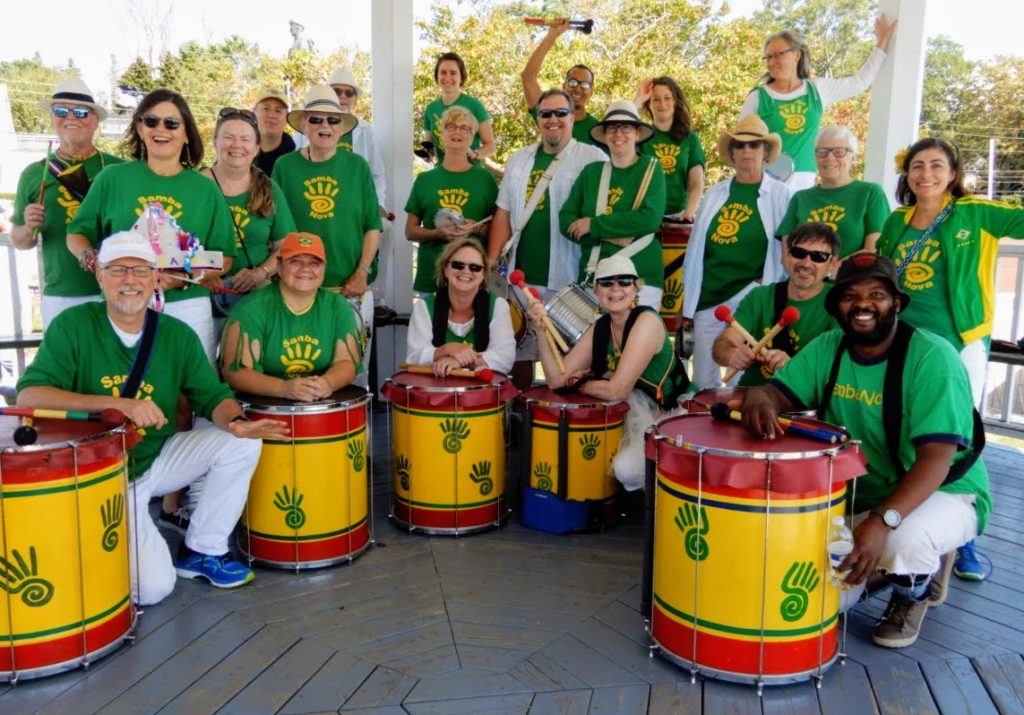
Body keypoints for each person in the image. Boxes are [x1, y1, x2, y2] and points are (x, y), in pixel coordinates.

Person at [16, 229, 289, 604]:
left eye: (141, 270)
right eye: (117, 270)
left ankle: (203, 551)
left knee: (241, 443)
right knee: (153, 589)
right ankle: (94, 542)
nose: (130, 280)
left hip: (153, 460)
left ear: (156, 278)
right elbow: (30, 395)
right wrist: (121, 406)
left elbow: (212, 396)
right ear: (99, 276)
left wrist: (238, 423)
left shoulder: (176, 334)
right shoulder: (73, 325)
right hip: (98, 475)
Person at [740, 253, 989, 648]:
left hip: (942, 490)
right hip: (861, 491)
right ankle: (886, 567)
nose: (862, 304)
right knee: (814, 600)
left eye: (877, 294)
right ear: (837, 307)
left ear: (897, 303)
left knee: (905, 542)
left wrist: (881, 522)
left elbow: (937, 459)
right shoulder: (828, 347)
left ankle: (914, 590)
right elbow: (777, 393)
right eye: (849, 295)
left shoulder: (932, 357)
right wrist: (759, 395)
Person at [878, 136, 1024, 582]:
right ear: (907, 174)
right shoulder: (897, 221)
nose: (926, 174)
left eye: (936, 165)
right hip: (903, 342)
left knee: (958, 433)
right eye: (917, 166)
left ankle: (963, 533)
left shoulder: (975, 213)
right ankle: (906, 511)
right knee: (902, 427)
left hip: (959, 343)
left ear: (953, 173)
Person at [67, 88, 236, 364]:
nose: (161, 129)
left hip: (187, 307)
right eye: (151, 121)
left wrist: (181, 277)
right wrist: (92, 260)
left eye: (172, 123)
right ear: (139, 128)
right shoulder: (112, 178)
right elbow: (76, 234)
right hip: (123, 301)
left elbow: (225, 258)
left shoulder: (205, 188)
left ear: (186, 133)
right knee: (122, 382)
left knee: (191, 385)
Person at [528, 255, 688, 490]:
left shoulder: (646, 322)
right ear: (596, 290)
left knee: (627, 470)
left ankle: (659, 497)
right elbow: (556, 380)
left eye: (624, 281)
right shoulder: (601, 327)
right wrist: (541, 329)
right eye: (606, 282)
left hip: (670, 412)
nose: (615, 289)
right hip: (631, 409)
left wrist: (582, 383)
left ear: (636, 288)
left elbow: (617, 390)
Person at [487, 88, 606, 388]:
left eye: (561, 113)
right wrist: (491, 261)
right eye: (546, 113)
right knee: (519, 353)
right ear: (538, 118)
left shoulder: (593, 158)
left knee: (571, 357)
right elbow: (503, 212)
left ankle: (563, 415)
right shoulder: (519, 159)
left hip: (572, 278)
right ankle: (522, 411)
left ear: (573, 117)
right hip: (520, 278)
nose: (553, 119)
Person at [272, 84, 382, 385]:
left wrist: (362, 272)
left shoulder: (358, 166)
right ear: (304, 124)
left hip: (350, 289)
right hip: (299, 289)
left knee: (353, 379)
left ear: (341, 127)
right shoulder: (284, 166)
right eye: (316, 119)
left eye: (333, 120)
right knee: (300, 372)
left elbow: (373, 226)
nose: (325, 126)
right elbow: (278, 230)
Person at [682, 115, 792, 390]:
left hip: (751, 296)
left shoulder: (781, 194)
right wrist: (688, 302)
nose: (746, 151)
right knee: (703, 383)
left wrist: (766, 285)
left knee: (745, 380)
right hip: (709, 297)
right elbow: (696, 251)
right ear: (731, 154)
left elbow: (788, 249)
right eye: (740, 146)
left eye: (754, 145)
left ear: (765, 152)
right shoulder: (715, 194)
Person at [10, 78, 123, 328]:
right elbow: (20, 241)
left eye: (81, 112)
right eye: (60, 111)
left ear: (95, 120)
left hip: (117, 288)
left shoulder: (120, 169)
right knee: (63, 355)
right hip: (61, 295)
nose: (70, 117)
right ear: (52, 118)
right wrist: (28, 227)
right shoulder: (34, 174)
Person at [739, 15, 898, 189]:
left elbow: (859, 83)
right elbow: (740, 143)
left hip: (804, 183)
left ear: (797, 55)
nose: (772, 61)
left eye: (779, 54)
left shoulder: (816, 89)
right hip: (766, 183)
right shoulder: (758, 97)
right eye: (768, 57)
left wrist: (881, 44)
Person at [221, 232, 362, 399]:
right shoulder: (251, 309)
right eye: (295, 261)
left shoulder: (337, 306)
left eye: (314, 263)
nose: (305, 269)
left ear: (324, 269)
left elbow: (347, 363)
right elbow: (236, 372)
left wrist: (328, 383)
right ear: (279, 266)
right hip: (265, 405)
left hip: (320, 402)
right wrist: (283, 388)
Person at [560, 100, 666, 308]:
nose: (618, 134)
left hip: (640, 275)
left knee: (637, 329)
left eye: (626, 127)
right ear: (605, 134)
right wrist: (609, 234)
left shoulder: (651, 168)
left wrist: (593, 225)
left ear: (637, 133)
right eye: (612, 128)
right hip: (594, 277)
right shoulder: (591, 172)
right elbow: (566, 220)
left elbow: (650, 218)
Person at [713, 222, 839, 386]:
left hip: (805, 397)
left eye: (818, 257)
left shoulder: (840, 304)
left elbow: (839, 365)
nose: (806, 263)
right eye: (798, 253)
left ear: (832, 263)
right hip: (754, 392)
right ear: (787, 256)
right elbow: (721, 346)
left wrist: (795, 367)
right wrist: (732, 353)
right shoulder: (759, 297)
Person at [201, 107, 296, 321]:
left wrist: (260, 272)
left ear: (256, 148)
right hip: (202, 294)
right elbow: (178, 242)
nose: (237, 145)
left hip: (256, 295)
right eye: (228, 137)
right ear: (215, 142)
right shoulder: (195, 186)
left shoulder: (269, 188)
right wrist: (204, 274)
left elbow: (286, 245)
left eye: (245, 139)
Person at [406, 106, 498, 296]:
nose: (458, 132)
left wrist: (476, 228)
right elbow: (410, 231)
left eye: (465, 128)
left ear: (473, 137)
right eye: (451, 126)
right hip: (431, 279)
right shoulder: (424, 180)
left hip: (472, 280)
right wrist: (436, 233)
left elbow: (500, 230)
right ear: (441, 134)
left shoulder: (485, 180)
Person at [406, 238, 515, 376]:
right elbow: (413, 358)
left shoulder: (498, 305)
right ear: (445, 269)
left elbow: (505, 357)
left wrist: (459, 361)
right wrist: (445, 350)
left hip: (482, 388)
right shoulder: (424, 307)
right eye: (458, 265)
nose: (466, 271)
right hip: (436, 387)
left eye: (475, 267)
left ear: (483, 275)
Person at [777, 126, 889, 258]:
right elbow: (787, 254)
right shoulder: (800, 198)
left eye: (839, 152)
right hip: (804, 271)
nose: (829, 157)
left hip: (853, 272)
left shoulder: (870, 193)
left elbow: (873, 249)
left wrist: (832, 268)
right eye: (822, 152)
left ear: (853, 157)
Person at [634, 76, 706, 221]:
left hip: (678, 215)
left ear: (675, 101)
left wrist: (688, 213)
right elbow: (616, 129)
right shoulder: (640, 135)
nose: (662, 104)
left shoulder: (690, 139)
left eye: (667, 98)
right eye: (656, 99)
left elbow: (696, 184)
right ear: (649, 104)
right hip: (644, 214)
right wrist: (637, 100)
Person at [521, 19, 600, 146]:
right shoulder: (549, 116)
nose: (578, 89)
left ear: (591, 92)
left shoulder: (600, 130)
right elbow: (528, 78)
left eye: (585, 85)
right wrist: (552, 34)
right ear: (564, 87)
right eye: (573, 83)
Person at [421, 52, 495, 165]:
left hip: (470, 172)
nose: (447, 78)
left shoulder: (475, 105)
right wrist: (426, 154)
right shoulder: (431, 109)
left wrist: (475, 154)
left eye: (453, 73)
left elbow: (490, 146)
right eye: (443, 72)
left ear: (461, 77)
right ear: (437, 76)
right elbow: (429, 146)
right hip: (442, 172)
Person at [253, 88, 295, 176]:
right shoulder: (240, 152)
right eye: (266, 108)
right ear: (254, 113)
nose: (271, 115)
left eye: (278, 111)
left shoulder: (296, 160)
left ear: (286, 118)